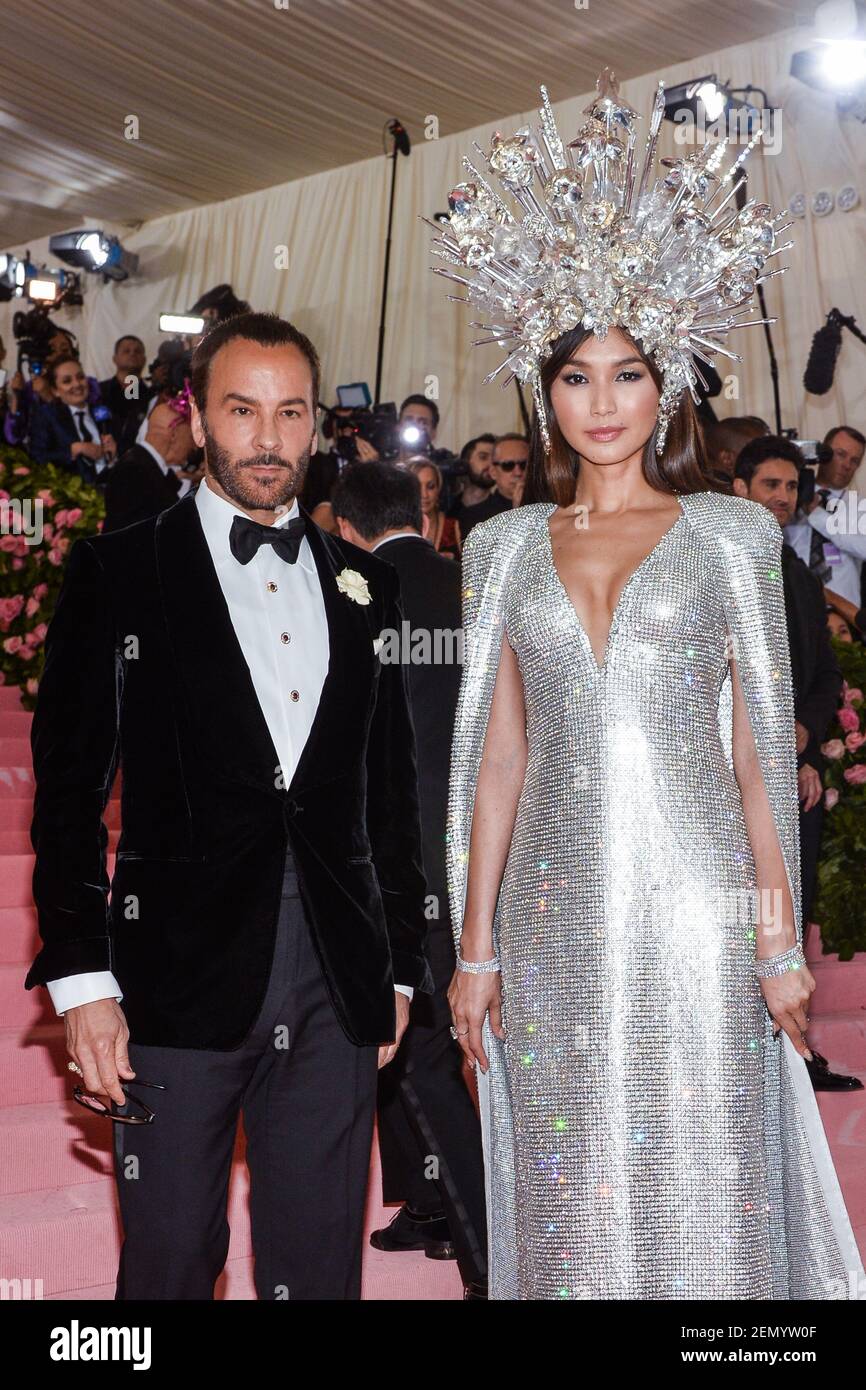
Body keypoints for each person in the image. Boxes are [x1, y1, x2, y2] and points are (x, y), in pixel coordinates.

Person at [436, 67, 864, 1299]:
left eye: (626, 374)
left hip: (700, 909)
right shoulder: (505, 546)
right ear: (542, 387)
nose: (601, 404)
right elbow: (494, 755)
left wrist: (776, 944)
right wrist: (474, 951)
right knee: (571, 1196)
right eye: (575, 378)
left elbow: (752, 757)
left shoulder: (732, 532)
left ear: (666, 378)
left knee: (709, 1182)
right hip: (547, 910)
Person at [25, 311, 433, 1300]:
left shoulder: (365, 588)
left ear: (314, 427)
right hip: (171, 973)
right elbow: (68, 793)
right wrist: (82, 984)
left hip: (334, 977)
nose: (267, 435)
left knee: (318, 1266)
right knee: (167, 1265)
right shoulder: (118, 569)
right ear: (198, 420)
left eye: (289, 411)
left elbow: (388, 797)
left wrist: (400, 971)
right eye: (240, 409)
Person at [331, 461, 487, 1296]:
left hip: (397, 868)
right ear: (425, 517)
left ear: (346, 527)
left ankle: (494, 1263)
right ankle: (435, 1208)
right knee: (474, 1062)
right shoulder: (473, 584)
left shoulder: (345, 593)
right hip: (497, 863)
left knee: (423, 1063)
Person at [732, 438, 859, 1094]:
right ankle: (744, 1066)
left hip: (795, 773)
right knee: (741, 919)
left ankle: (795, 1057)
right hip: (729, 781)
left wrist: (802, 739)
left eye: (791, 487)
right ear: (739, 488)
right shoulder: (716, 568)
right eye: (770, 485)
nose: (782, 497)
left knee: (792, 907)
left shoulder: (800, 576)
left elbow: (826, 676)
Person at [785, 426, 866, 613]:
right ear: (823, 453)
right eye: (841, 454)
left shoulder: (859, 505)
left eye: (854, 461)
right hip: (796, 607)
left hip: (845, 613)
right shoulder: (790, 494)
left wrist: (817, 516)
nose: (847, 464)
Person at [102, 397, 197, 533]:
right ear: (174, 434)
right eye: (190, 437)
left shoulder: (146, 466)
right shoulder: (132, 471)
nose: (193, 447)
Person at [29, 355, 117, 480]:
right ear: (55, 391)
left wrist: (113, 456)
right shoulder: (47, 415)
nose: (77, 384)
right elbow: (37, 458)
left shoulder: (101, 410)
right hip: (71, 493)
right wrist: (73, 450)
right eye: (67, 381)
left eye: (80, 377)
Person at [455, 433, 525, 546]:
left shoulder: (551, 508)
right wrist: (519, 516)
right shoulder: (473, 516)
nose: (518, 472)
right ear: (493, 472)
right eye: (508, 465)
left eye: (524, 465)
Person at [99, 335, 154, 455]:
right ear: (115, 358)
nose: (132, 354)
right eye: (126, 351)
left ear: (144, 359)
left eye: (137, 351)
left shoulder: (152, 396)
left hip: (138, 461)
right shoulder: (99, 391)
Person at [409, 458, 459, 558]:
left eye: (430, 486)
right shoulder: (396, 528)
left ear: (438, 489)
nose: (424, 495)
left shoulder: (453, 525)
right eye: (416, 486)